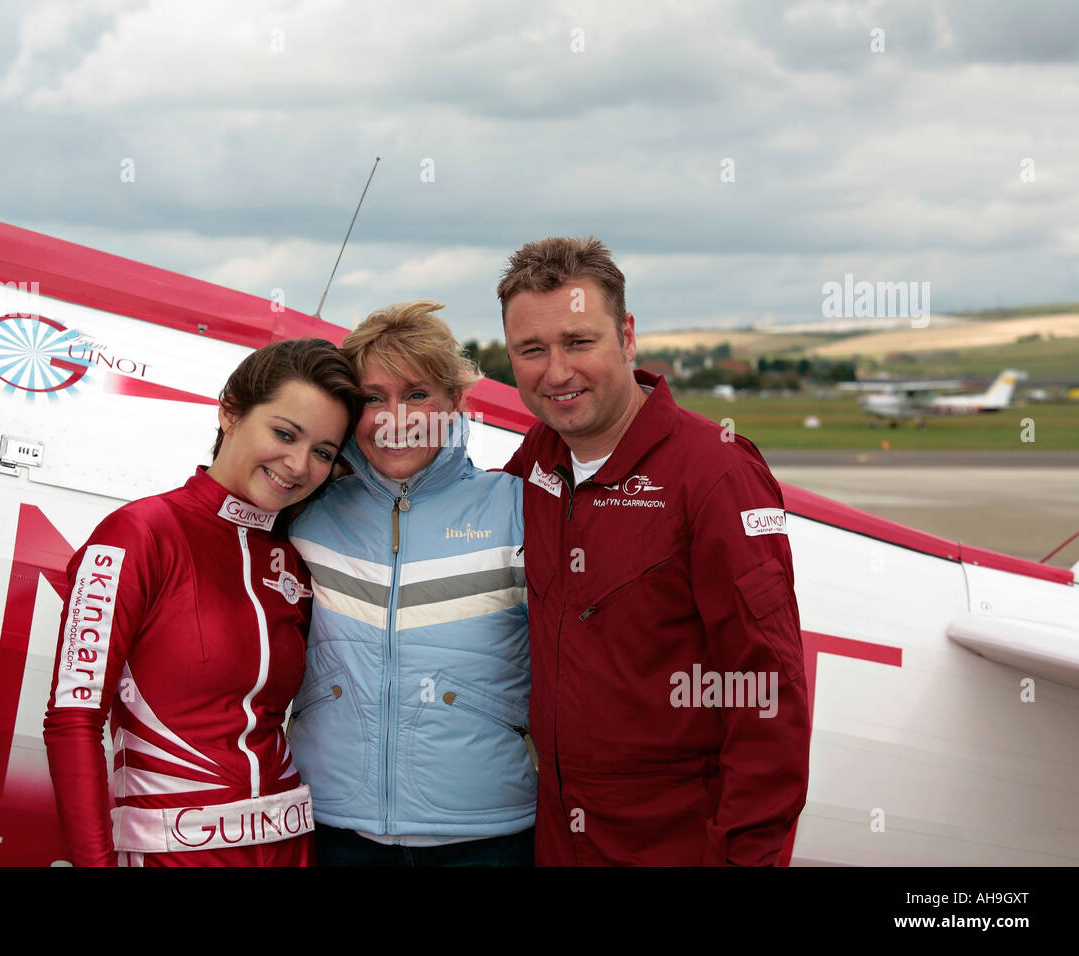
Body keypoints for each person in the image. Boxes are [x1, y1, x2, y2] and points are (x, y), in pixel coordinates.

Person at [497, 237, 810, 866]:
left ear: (627, 336)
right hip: (560, 843)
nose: (556, 372)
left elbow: (766, 691)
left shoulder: (714, 473)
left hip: (674, 846)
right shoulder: (538, 461)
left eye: (579, 342)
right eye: (532, 350)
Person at [43, 338, 362, 866]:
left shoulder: (295, 557)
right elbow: (72, 721)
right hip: (173, 855)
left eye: (324, 453)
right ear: (230, 413)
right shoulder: (138, 534)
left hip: (292, 850)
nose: (300, 464)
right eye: (284, 433)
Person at [287, 300, 535, 866]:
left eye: (417, 394)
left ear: (455, 402)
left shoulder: (517, 510)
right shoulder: (306, 507)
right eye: (374, 398)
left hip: (488, 837)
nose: (395, 418)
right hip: (329, 827)